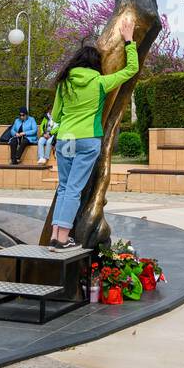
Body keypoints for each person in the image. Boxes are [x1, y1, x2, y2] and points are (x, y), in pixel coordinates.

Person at [48, 21, 140, 249]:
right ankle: (62, 239)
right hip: (87, 139)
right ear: (95, 64)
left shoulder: (64, 83)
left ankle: (54, 234)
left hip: (66, 139)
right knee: (74, 189)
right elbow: (131, 70)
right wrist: (129, 41)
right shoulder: (99, 82)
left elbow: (57, 115)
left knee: (63, 187)